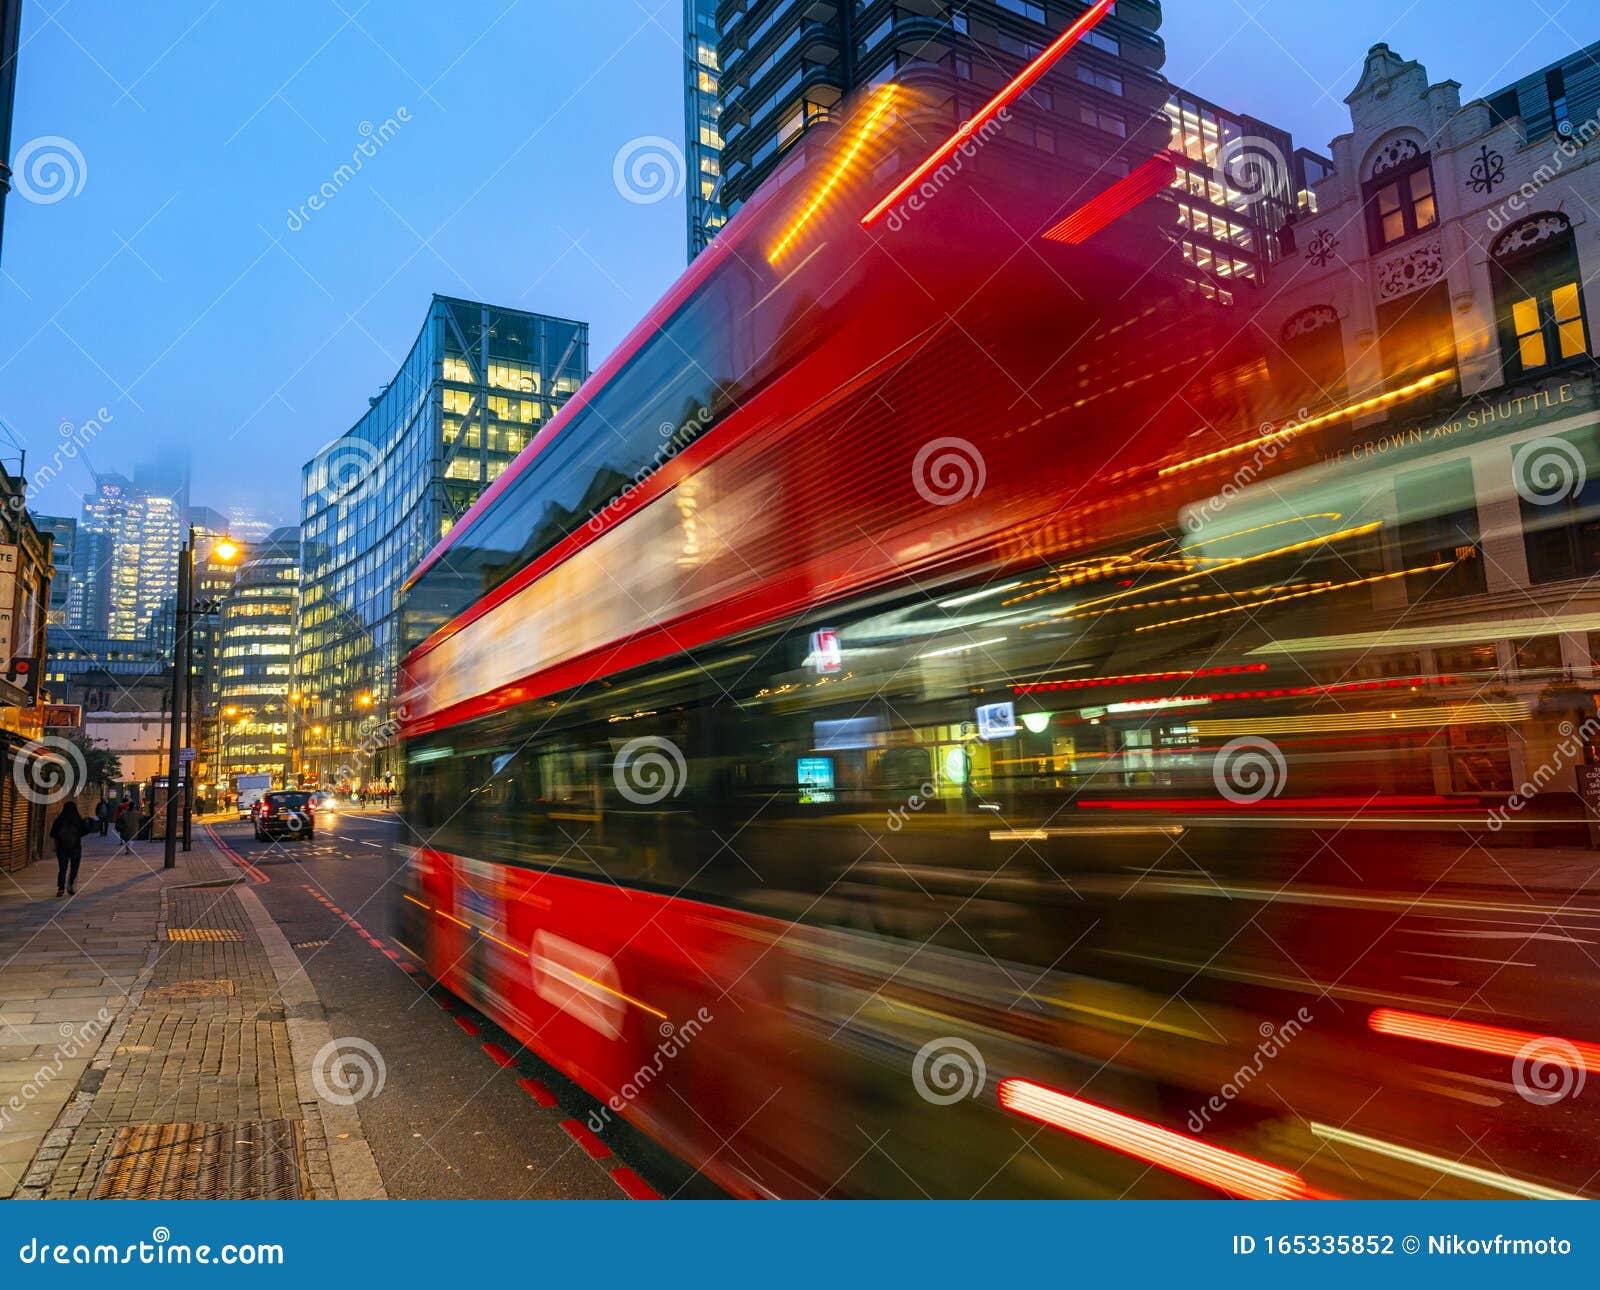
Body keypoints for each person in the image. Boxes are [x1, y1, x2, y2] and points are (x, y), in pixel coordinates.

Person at [50, 801, 87, 897]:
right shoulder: (77, 819)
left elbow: (54, 834)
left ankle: (61, 888)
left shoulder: (60, 820)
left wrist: (55, 846)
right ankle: (70, 885)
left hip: (61, 848)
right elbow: (84, 831)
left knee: (62, 868)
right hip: (75, 848)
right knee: (74, 868)